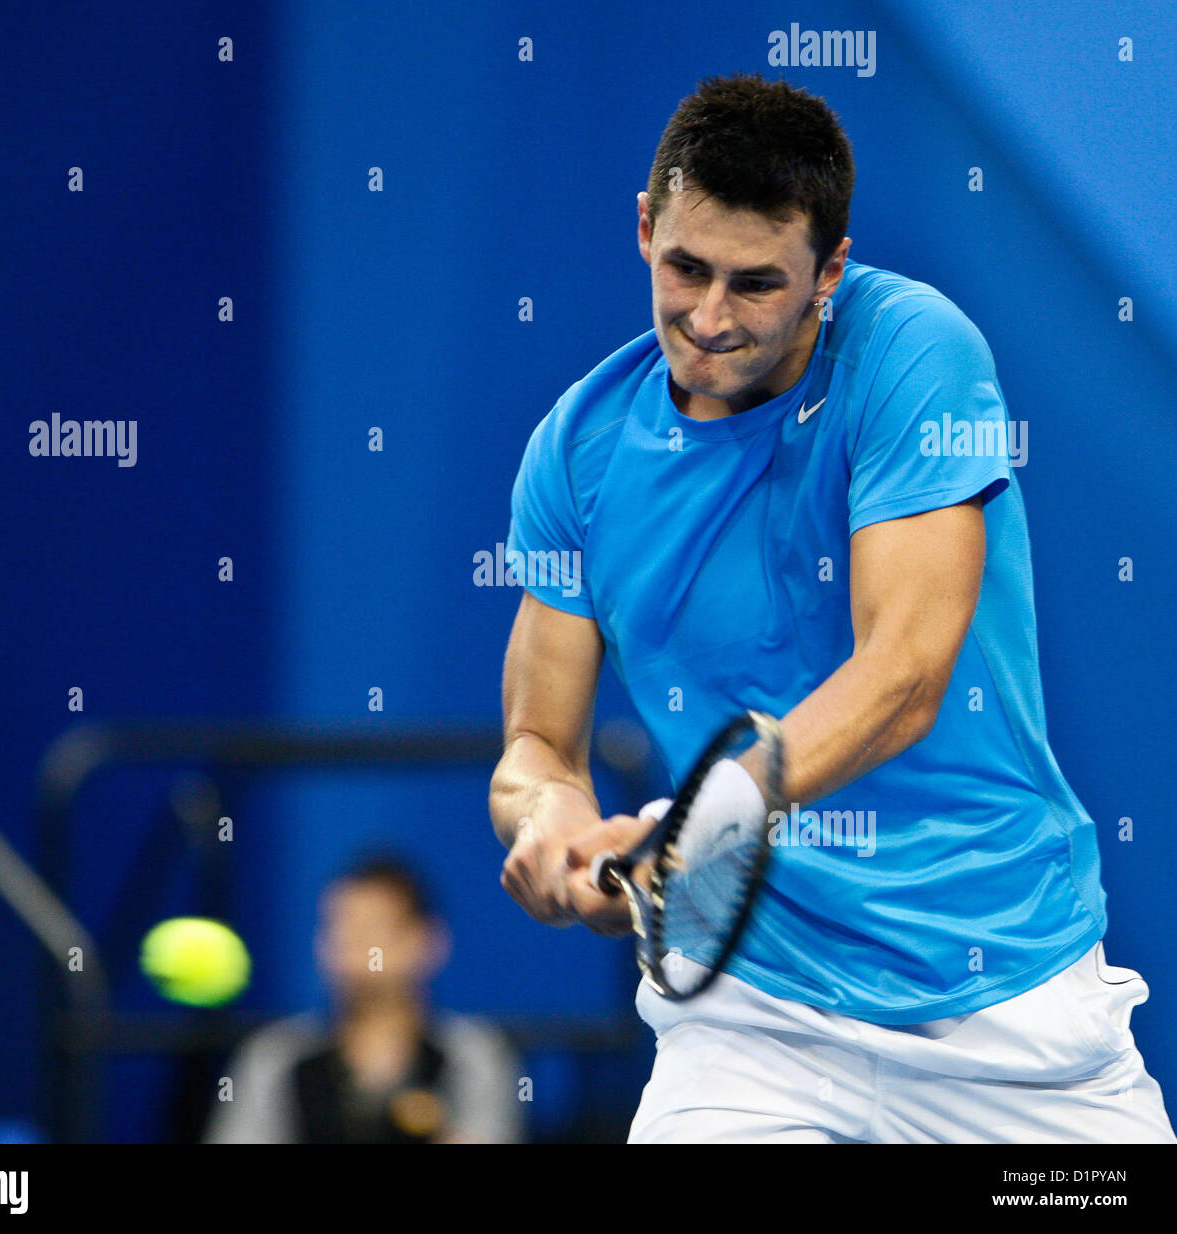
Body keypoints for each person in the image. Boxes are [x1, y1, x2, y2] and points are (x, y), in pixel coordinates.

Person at [489, 73, 1174, 1144]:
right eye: (684, 267)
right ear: (642, 227)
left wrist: (688, 829)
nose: (708, 319)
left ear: (829, 272)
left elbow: (900, 677)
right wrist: (552, 823)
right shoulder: (575, 452)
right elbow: (537, 739)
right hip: (748, 1021)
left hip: (1010, 1011)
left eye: (756, 284)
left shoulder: (912, 349)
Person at [204, 855, 523, 1143]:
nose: (350, 946)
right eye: (337, 928)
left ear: (426, 941)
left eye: (371, 929)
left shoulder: (475, 1055)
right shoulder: (274, 1057)